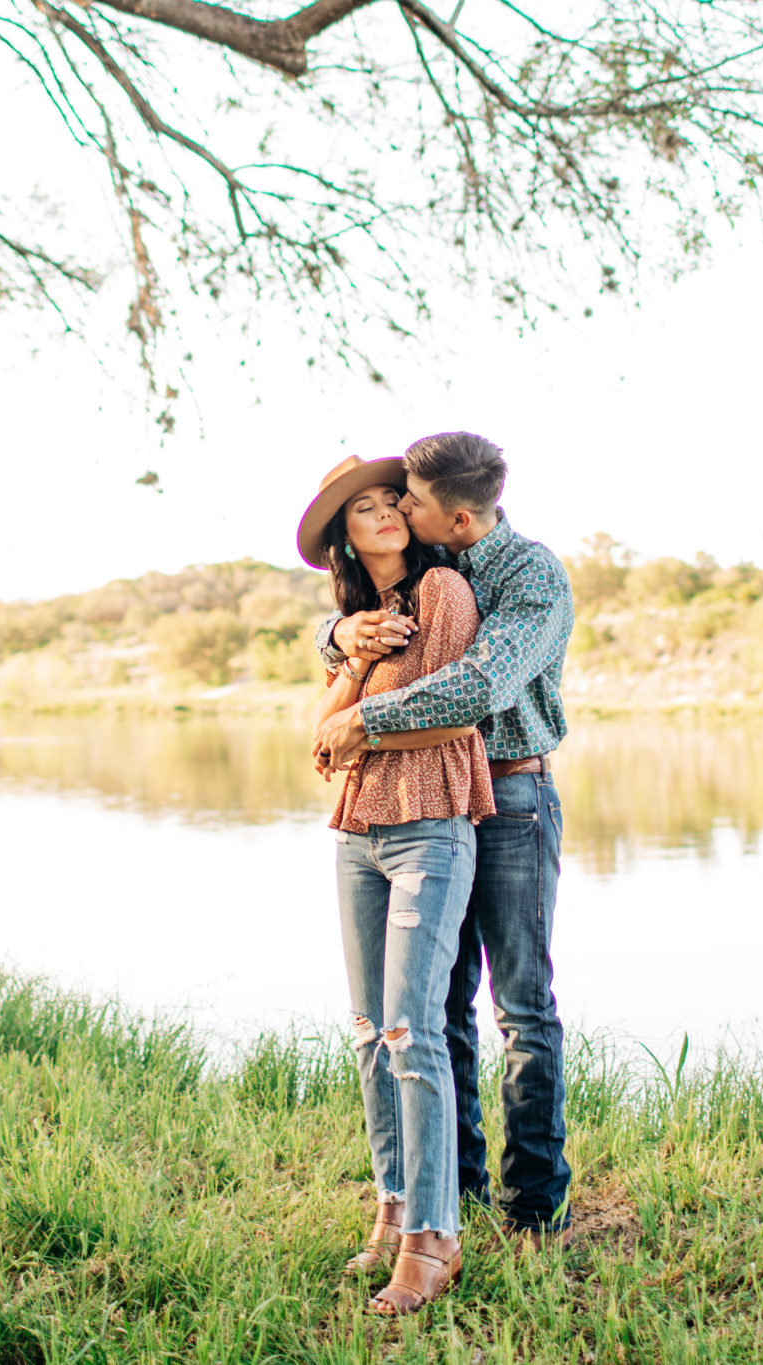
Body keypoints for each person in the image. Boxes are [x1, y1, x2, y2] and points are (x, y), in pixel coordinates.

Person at [310, 432, 577, 1244]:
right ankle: (451, 1189)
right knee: (438, 1005)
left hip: (515, 790)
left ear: (457, 517)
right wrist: (338, 638)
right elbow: (375, 606)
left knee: (522, 1006)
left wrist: (361, 721)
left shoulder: (529, 574)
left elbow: (477, 683)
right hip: (441, 800)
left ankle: (535, 1205)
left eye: (413, 502)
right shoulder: (441, 562)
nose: (401, 510)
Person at [297, 454, 496, 1315]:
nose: (382, 515)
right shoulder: (354, 618)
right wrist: (345, 656)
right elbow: (319, 732)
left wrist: (357, 728)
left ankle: (435, 1235)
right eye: (364, 509)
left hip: (431, 830)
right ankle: (391, 1205)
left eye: (391, 503)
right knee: (371, 1031)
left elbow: (453, 713)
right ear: (345, 532)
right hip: (356, 834)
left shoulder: (444, 593)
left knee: (414, 1029)